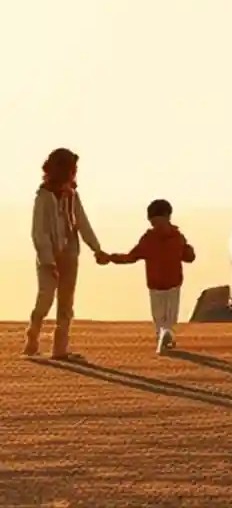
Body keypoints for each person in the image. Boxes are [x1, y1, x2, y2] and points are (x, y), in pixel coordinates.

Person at [24, 148, 107, 359]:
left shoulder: (72, 194)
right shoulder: (43, 196)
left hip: (70, 252)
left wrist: (96, 248)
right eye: (71, 169)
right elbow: (39, 231)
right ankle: (33, 334)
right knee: (46, 298)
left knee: (66, 300)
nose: (74, 173)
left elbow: (82, 221)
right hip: (49, 256)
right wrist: (48, 260)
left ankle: (59, 347)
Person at [98, 199, 196, 354]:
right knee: (167, 318)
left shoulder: (158, 239)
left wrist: (110, 258)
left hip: (163, 284)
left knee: (162, 318)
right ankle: (165, 339)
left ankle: (163, 339)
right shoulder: (174, 237)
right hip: (166, 284)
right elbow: (189, 257)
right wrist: (111, 258)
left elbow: (131, 257)